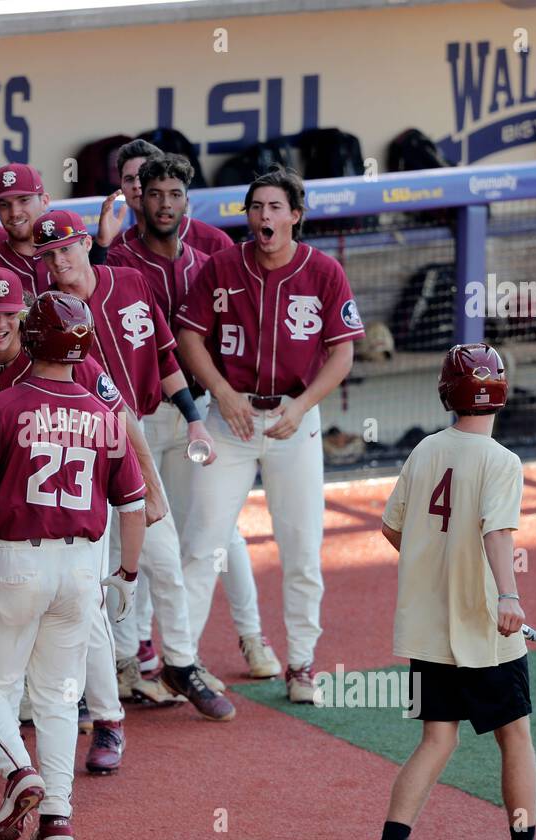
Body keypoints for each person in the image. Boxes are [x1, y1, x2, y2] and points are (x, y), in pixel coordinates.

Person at [0, 290, 146, 840]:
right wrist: (127, 574)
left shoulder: (3, 405)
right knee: (58, 695)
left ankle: (18, 773)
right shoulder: (106, 415)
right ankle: (58, 816)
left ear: (32, 340)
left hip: (18, 561)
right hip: (85, 568)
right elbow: (133, 506)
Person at [176, 167, 364, 703]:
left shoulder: (323, 271)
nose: (264, 216)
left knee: (302, 548)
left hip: (292, 420)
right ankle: (182, 663)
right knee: (201, 545)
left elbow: (343, 351)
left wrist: (304, 405)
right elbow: (189, 337)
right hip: (229, 417)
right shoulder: (221, 265)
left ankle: (301, 663)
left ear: (295, 216)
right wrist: (220, 391)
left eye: (275, 207)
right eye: (256, 206)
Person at [34, 208, 230, 720]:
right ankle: (96, 676)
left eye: (66, 248)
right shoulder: (48, 310)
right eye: (49, 254)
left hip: (140, 431)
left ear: (85, 244)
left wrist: (193, 417)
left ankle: (181, 664)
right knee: (88, 575)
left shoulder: (130, 281)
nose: (59, 260)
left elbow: (166, 357)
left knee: (162, 558)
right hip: (82, 447)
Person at [372, 343, 536, 840]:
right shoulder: (502, 461)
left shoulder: (425, 450)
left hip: (429, 630)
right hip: (485, 627)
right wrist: (507, 594)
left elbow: (392, 527)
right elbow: (497, 532)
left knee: (437, 739)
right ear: (500, 393)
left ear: (449, 392)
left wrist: (439, 568)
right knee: (514, 737)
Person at [106, 155, 273, 681]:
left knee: (216, 532)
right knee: (138, 530)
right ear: (134, 194)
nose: (160, 201)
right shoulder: (117, 257)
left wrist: (229, 391)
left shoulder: (211, 249)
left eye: (172, 193)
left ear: (186, 198)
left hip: (198, 409)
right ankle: (136, 652)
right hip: (140, 412)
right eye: (148, 190)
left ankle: (249, 636)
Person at [100, 138, 233, 257]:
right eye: (129, 179)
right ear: (121, 186)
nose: (136, 185)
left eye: (142, 178)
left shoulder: (215, 242)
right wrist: (102, 244)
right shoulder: (116, 248)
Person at [0, 164, 50, 297]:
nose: (14, 212)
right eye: (4, 205)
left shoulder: (66, 255)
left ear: (44, 201)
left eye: (24, 200)